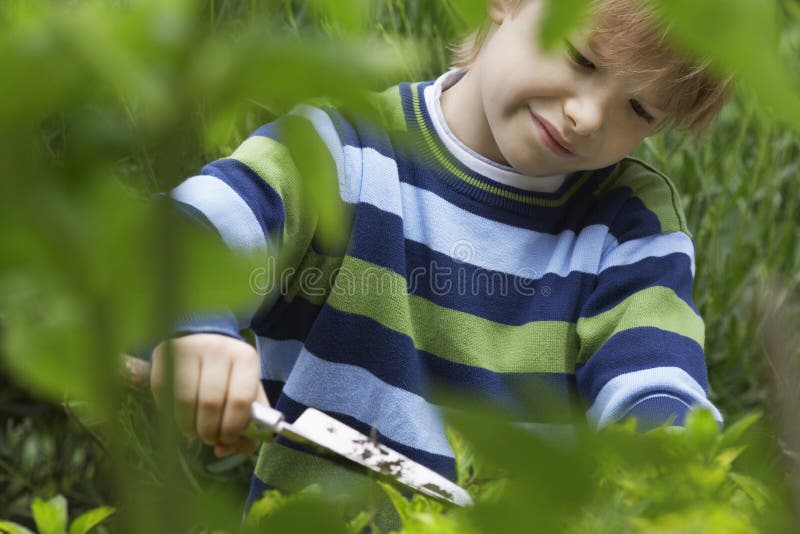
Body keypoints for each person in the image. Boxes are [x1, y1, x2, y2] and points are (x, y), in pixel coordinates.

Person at [149, 0, 731, 521]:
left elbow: (655, 378)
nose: (588, 116)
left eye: (639, 108)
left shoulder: (627, 224)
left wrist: (670, 474)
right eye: (582, 58)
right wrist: (194, 326)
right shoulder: (340, 154)